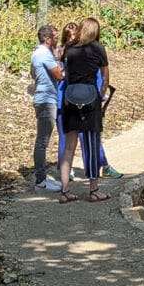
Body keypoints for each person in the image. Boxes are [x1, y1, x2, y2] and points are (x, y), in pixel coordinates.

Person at [56, 17, 111, 203]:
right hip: (90, 101)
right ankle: (94, 190)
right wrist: (101, 96)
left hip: (70, 100)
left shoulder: (70, 48)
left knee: (69, 147)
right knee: (91, 145)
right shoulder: (98, 48)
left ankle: (65, 190)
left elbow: (65, 71)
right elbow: (105, 78)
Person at [29, 25, 64, 191]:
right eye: (55, 37)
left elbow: (33, 74)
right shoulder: (45, 54)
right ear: (47, 39)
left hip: (42, 98)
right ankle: (41, 181)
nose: (58, 40)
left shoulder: (36, 53)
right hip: (47, 101)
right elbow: (59, 75)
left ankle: (41, 178)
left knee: (42, 140)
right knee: (42, 141)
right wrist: (59, 59)